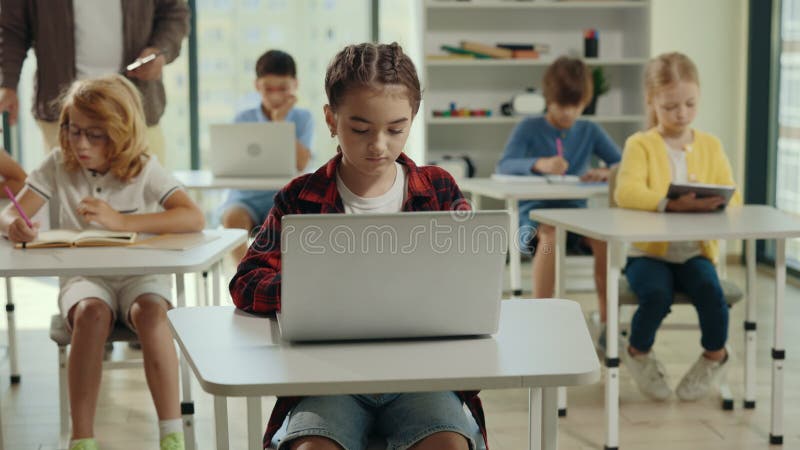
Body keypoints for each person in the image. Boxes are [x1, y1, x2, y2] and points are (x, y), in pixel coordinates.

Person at [230, 42, 484, 450]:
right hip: (328, 376)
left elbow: (473, 281)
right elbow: (246, 281)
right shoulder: (301, 198)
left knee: (449, 445)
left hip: (421, 376)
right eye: (361, 129)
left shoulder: (439, 189)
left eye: (396, 129)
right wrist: (315, 291)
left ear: (413, 119)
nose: (378, 145)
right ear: (331, 119)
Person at [0, 74, 205, 450]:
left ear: (121, 131)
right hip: (84, 277)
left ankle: (171, 433)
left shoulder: (143, 167)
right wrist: (15, 226)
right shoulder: (57, 165)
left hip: (140, 276)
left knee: (151, 312)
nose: (81, 143)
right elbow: (11, 214)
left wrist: (125, 222)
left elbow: (192, 217)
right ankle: (82, 437)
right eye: (74, 131)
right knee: (91, 314)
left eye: (95, 135)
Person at [614, 52, 741, 402]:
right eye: (670, 106)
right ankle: (638, 352)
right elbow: (626, 191)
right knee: (656, 295)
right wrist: (669, 204)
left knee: (710, 292)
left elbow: (734, 195)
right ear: (651, 102)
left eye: (689, 103)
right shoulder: (640, 144)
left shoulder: (711, 146)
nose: (681, 113)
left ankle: (715, 355)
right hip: (648, 254)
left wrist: (716, 203)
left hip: (694, 251)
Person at [496, 56, 621, 347]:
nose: (568, 113)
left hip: (577, 215)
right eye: (562, 105)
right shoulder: (529, 128)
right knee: (550, 236)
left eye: (575, 107)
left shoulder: (590, 130)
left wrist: (606, 171)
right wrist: (539, 163)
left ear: (585, 102)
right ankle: (540, 320)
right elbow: (505, 165)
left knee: (604, 239)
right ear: (548, 100)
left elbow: (623, 163)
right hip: (537, 219)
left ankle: (607, 324)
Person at [0, 0, 190, 164]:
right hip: (63, 115)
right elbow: (11, 28)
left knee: (145, 199)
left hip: (136, 111)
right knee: (67, 200)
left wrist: (160, 50)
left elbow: (174, 13)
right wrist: (7, 83)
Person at [220, 49, 313, 262]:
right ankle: (246, 279)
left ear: (295, 85)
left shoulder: (303, 118)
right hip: (247, 198)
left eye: (283, 89)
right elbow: (232, 163)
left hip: (285, 197)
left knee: (298, 222)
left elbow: (301, 163)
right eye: (268, 88)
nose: (275, 95)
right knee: (232, 217)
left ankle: (281, 281)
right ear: (257, 86)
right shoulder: (243, 118)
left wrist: (280, 122)